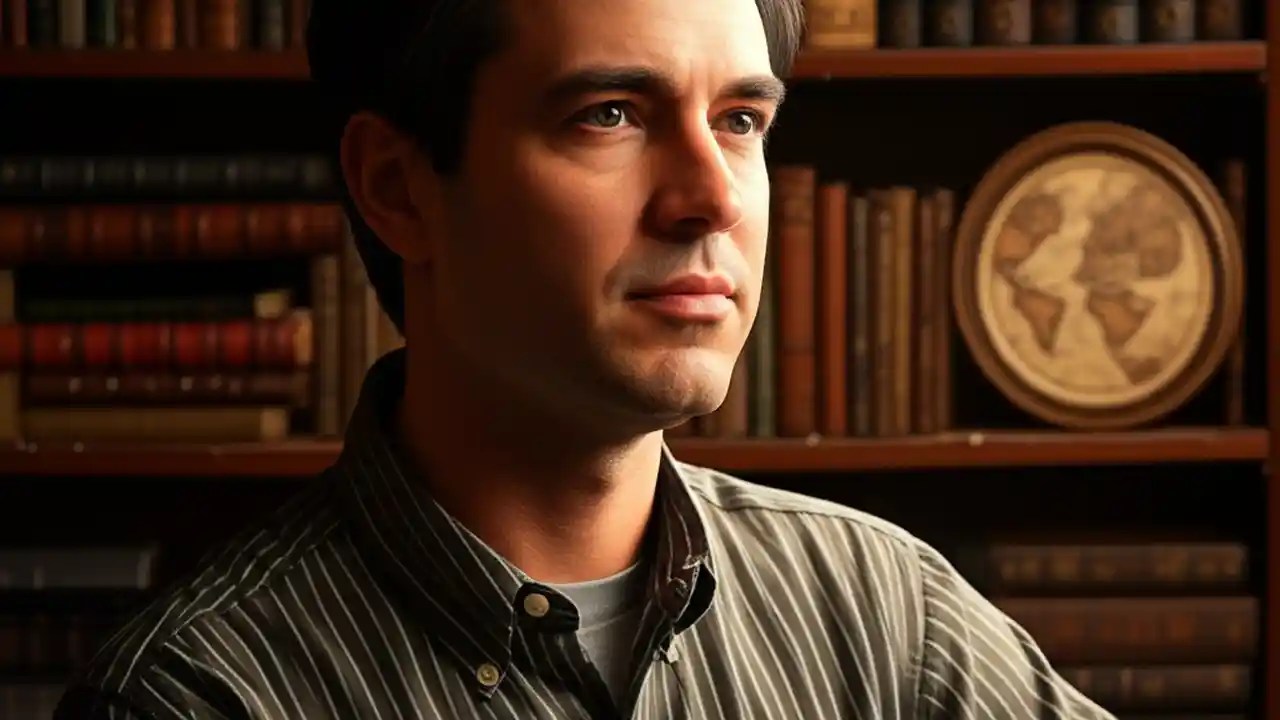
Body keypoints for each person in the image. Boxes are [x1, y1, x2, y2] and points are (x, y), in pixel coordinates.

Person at [55, 0, 1118, 717]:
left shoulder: (887, 616)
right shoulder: (201, 694)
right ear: (397, 186)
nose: (711, 196)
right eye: (609, 114)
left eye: (740, 119)